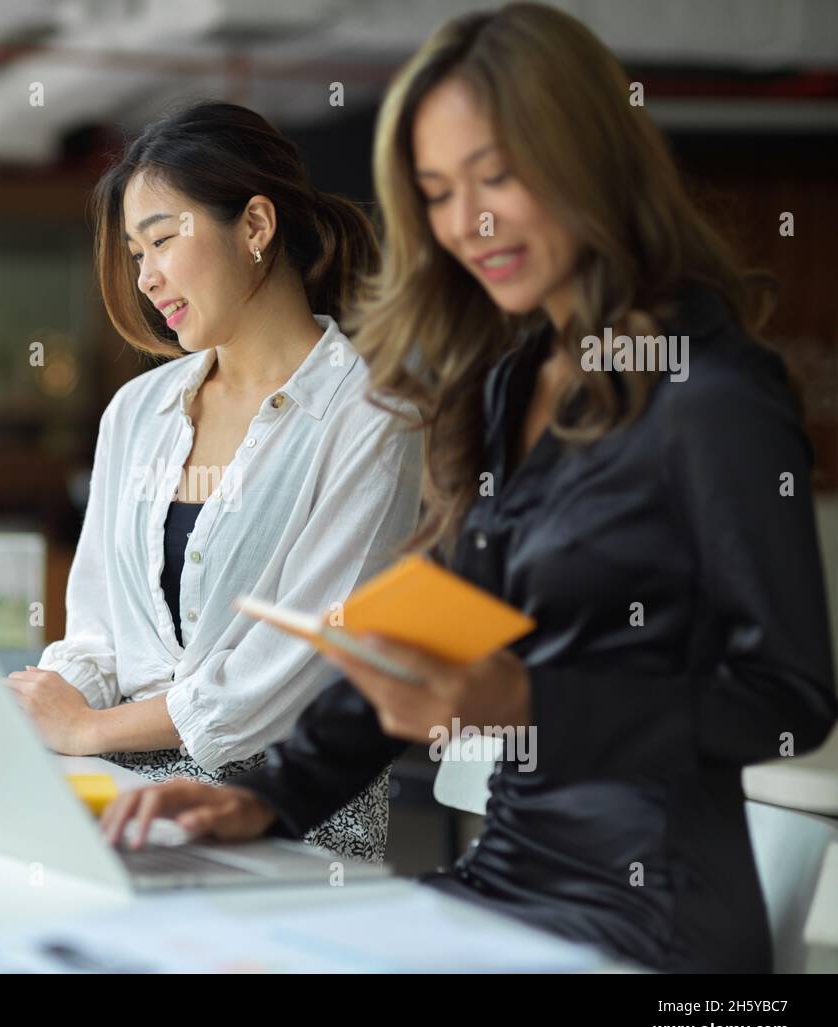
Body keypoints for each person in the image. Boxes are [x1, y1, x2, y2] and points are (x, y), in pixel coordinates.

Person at [99, 4, 837, 972]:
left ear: (588, 157)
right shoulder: (509, 382)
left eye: (496, 176)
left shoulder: (712, 397)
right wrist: (266, 796)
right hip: (502, 880)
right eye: (440, 191)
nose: (467, 223)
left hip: (646, 923)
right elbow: (427, 636)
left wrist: (529, 700)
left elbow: (787, 699)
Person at [7, 102, 424, 862]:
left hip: (284, 815)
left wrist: (87, 729)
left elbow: (296, 668)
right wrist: (24, 707)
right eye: (136, 254)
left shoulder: (370, 417)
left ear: (257, 227)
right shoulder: (138, 412)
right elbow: (98, 638)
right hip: (122, 799)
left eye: (163, 239)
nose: (148, 277)